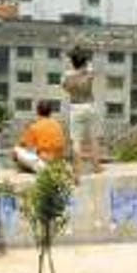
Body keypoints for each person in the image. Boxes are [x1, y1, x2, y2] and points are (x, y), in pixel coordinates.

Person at [62, 47, 102, 176]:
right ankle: (96, 166)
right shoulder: (89, 73)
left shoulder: (67, 77)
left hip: (76, 107)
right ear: (84, 62)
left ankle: (77, 169)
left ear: (73, 62)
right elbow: (91, 68)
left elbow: (65, 87)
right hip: (90, 105)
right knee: (94, 138)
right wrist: (84, 60)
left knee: (76, 140)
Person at [13, 101, 67, 174]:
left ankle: (24, 170)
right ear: (50, 112)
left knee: (16, 150)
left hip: (44, 164)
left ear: (37, 111)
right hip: (58, 162)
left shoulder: (35, 127)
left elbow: (25, 145)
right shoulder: (58, 125)